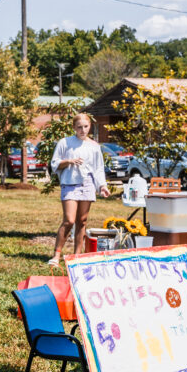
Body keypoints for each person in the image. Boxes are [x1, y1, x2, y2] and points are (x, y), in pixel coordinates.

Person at [48, 114, 110, 266]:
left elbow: (98, 169)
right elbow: (54, 163)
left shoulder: (94, 147)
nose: (83, 130)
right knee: (69, 220)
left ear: (90, 127)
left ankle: (77, 257)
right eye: (79, 127)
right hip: (69, 183)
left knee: (82, 221)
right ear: (74, 128)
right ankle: (56, 255)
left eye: (86, 127)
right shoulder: (65, 142)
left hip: (87, 184)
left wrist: (102, 186)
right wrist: (68, 161)